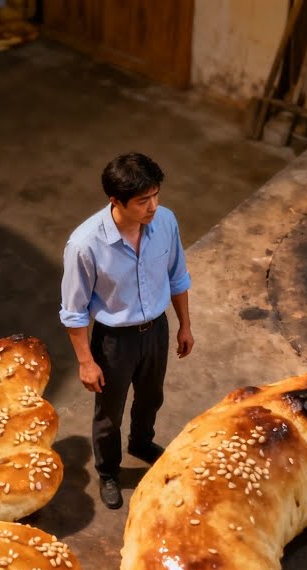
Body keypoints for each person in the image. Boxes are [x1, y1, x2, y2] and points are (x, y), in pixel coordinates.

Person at [59, 152, 194, 510]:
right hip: (115, 341)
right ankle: (108, 472)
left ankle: (141, 442)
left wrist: (185, 325)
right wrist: (86, 362)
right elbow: (74, 313)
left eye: (155, 195)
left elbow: (177, 276)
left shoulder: (165, 222)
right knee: (109, 414)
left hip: (156, 330)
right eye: (142, 201)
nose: (153, 206)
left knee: (151, 397)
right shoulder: (85, 245)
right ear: (115, 201)